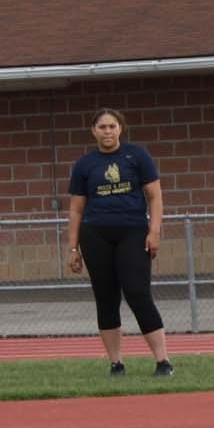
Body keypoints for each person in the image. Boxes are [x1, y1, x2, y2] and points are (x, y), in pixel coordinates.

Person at [66, 108, 174, 377]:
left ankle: (162, 361)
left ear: (120, 129)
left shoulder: (137, 156)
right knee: (106, 298)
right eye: (102, 127)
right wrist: (72, 247)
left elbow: (155, 197)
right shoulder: (85, 164)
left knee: (138, 293)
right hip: (96, 235)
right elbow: (76, 209)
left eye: (112, 126)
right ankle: (116, 363)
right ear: (94, 131)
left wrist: (155, 231)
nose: (107, 131)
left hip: (133, 232)